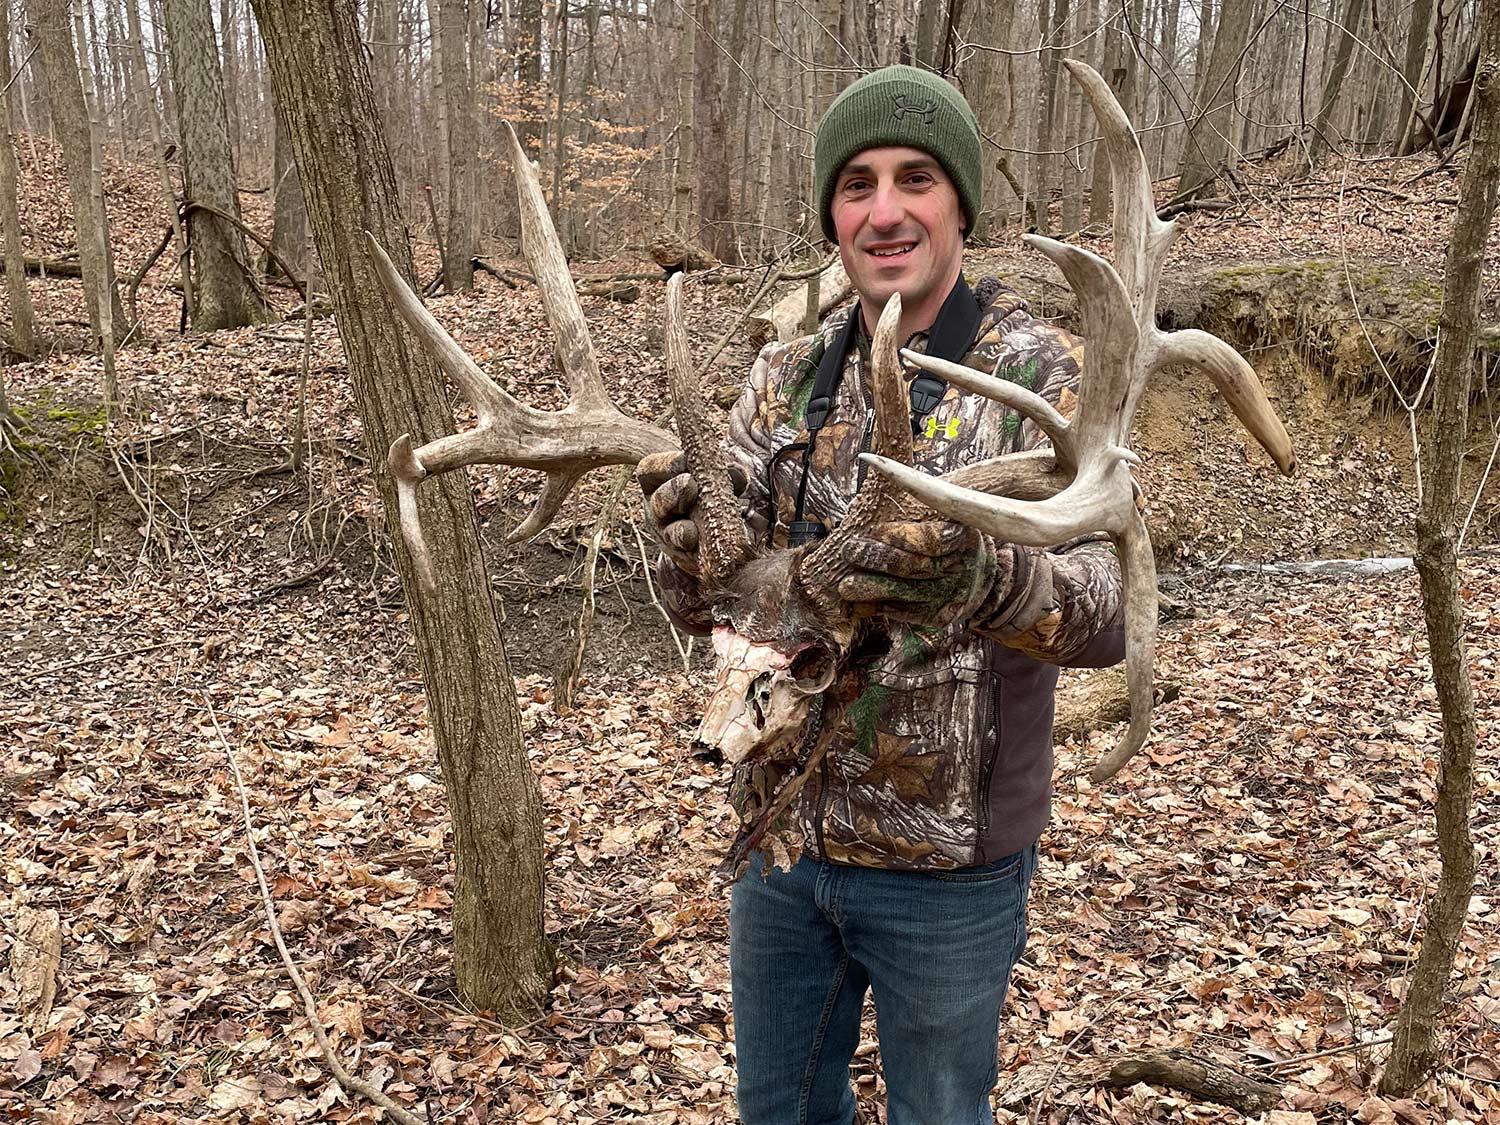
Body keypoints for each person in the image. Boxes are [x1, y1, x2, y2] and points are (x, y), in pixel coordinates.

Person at [638, 65, 1125, 1125]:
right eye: (857, 185)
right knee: (779, 1112)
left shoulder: (1040, 378)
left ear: (959, 206)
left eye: (916, 179)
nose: (885, 210)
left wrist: (984, 575)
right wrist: (685, 549)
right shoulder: (785, 376)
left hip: (945, 869)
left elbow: (1106, 610)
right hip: (780, 840)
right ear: (833, 214)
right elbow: (722, 616)